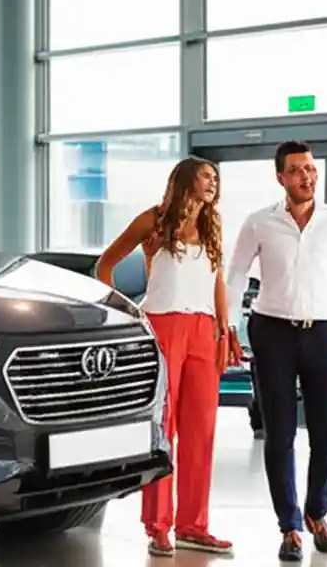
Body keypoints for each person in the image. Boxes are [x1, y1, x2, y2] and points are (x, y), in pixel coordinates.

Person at [94, 156, 240, 558]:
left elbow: (217, 279)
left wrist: (225, 329)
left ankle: (195, 525)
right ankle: (158, 526)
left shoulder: (212, 223)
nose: (213, 182)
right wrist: (125, 313)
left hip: (204, 332)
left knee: (202, 430)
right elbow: (105, 265)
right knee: (164, 427)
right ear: (186, 179)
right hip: (163, 328)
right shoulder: (154, 221)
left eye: (216, 177)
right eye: (206, 175)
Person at [223, 141, 327, 562]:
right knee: (279, 434)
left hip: (323, 333)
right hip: (273, 334)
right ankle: (290, 527)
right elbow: (235, 275)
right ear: (280, 176)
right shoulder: (259, 222)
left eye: (311, 169)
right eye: (297, 170)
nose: (307, 176)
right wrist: (230, 327)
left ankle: (317, 513)